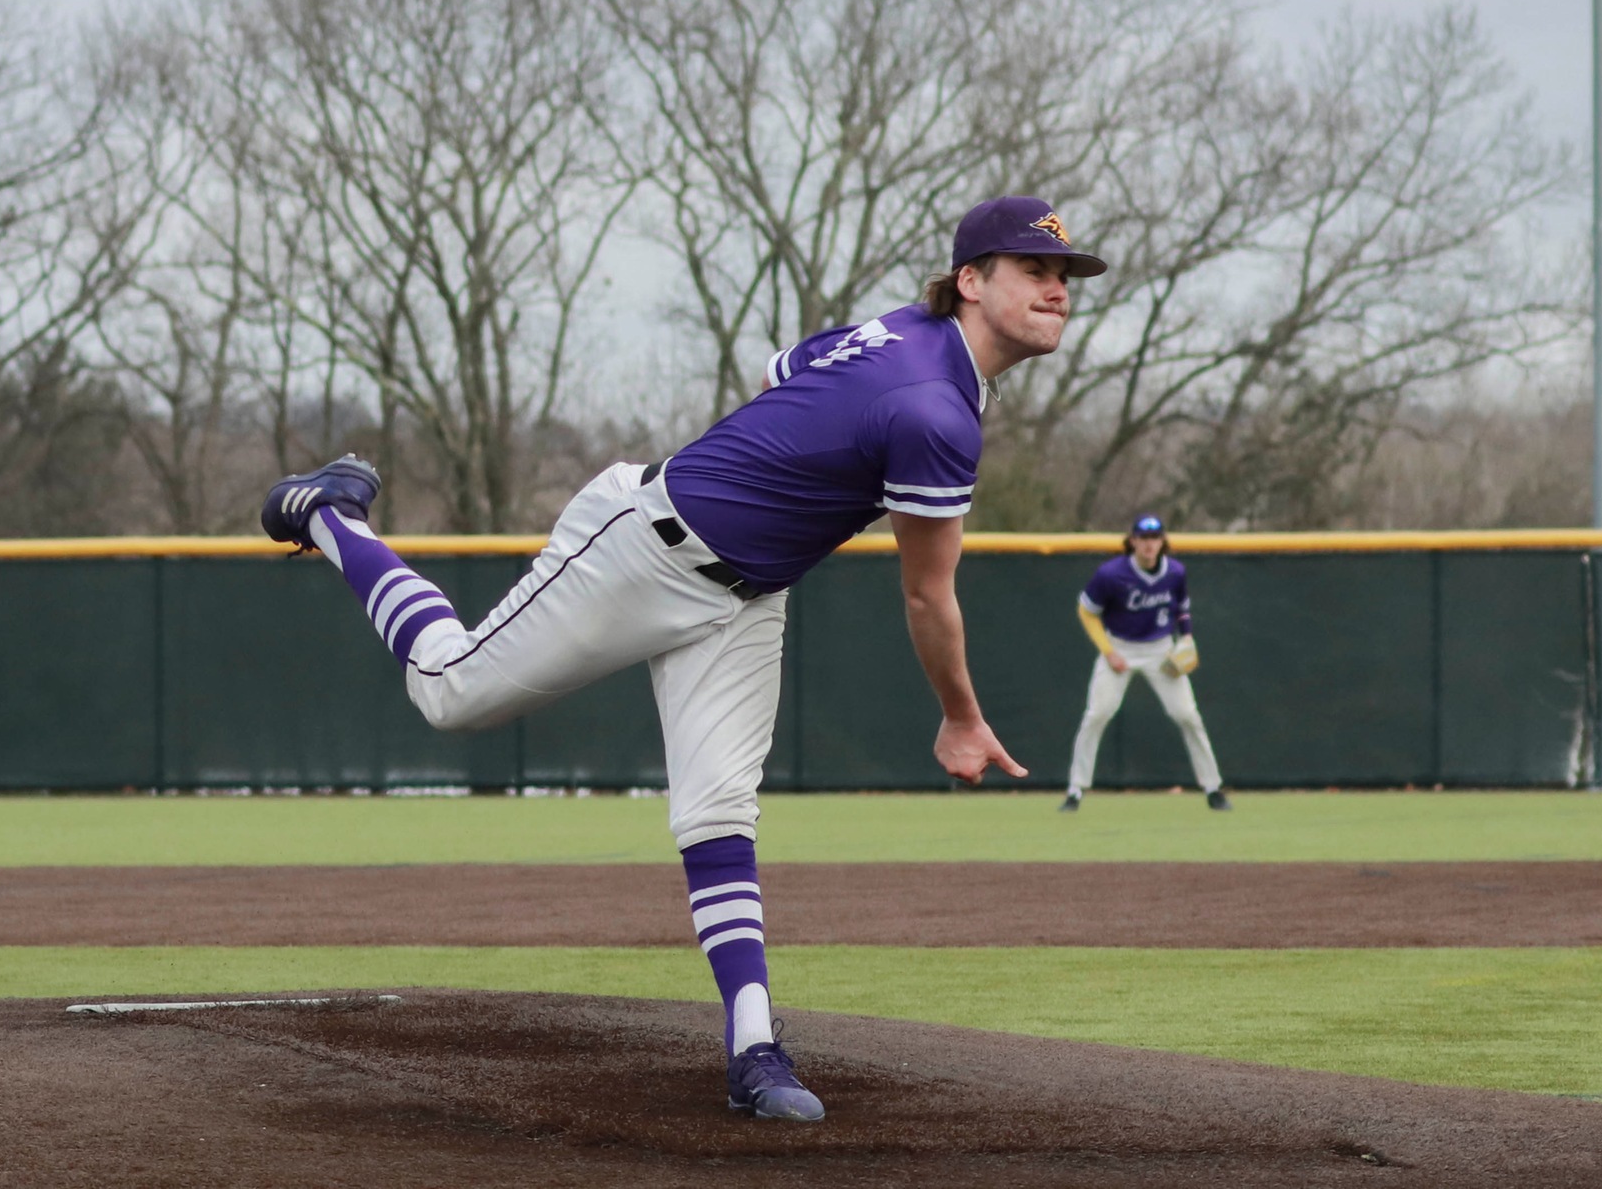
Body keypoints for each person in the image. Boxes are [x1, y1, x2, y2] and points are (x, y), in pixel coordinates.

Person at [260, 196, 1104, 1122]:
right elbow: (925, 593)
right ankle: (332, 517)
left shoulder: (904, 339)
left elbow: (792, 368)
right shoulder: (934, 406)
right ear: (971, 280)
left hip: (746, 593)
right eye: (1032, 270)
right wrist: (958, 714)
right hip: (646, 547)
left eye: (1063, 277)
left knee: (717, 812)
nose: (1055, 290)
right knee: (448, 690)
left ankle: (754, 1050)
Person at [1058, 514, 1231, 813]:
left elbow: (1182, 609)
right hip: (1120, 647)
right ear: (1133, 541)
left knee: (1188, 715)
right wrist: (1108, 650)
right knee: (1097, 714)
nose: (1150, 544)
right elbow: (1087, 612)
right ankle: (1075, 790)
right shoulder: (1111, 574)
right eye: (1143, 538)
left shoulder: (1175, 572)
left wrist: (1186, 639)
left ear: (1162, 542)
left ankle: (1213, 787)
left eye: (1155, 538)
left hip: (1161, 649)